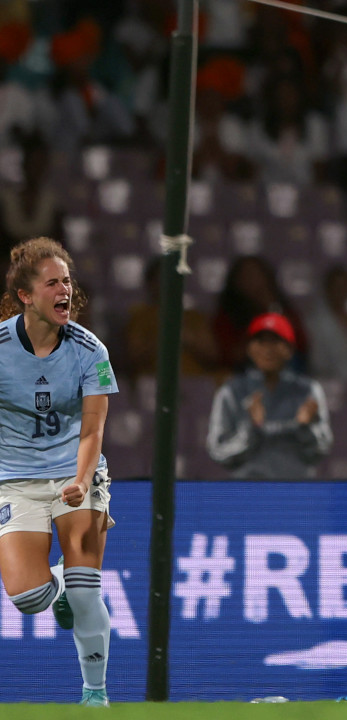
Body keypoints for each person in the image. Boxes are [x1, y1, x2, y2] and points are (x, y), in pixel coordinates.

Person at [0, 237, 117, 706]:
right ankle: (62, 581)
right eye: (52, 283)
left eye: (67, 280)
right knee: (28, 597)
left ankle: (95, 695)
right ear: (26, 296)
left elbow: (93, 429)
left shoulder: (90, 351)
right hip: (16, 479)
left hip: (76, 476)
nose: (64, 289)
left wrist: (83, 481)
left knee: (88, 594)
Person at [206, 312, 332, 479]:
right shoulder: (231, 391)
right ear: (249, 348)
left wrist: (305, 427)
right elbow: (218, 452)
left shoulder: (308, 390)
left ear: (289, 349)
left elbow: (319, 452)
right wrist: (251, 428)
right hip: (247, 493)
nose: (268, 349)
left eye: (275, 341)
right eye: (261, 341)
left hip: (296, 493)